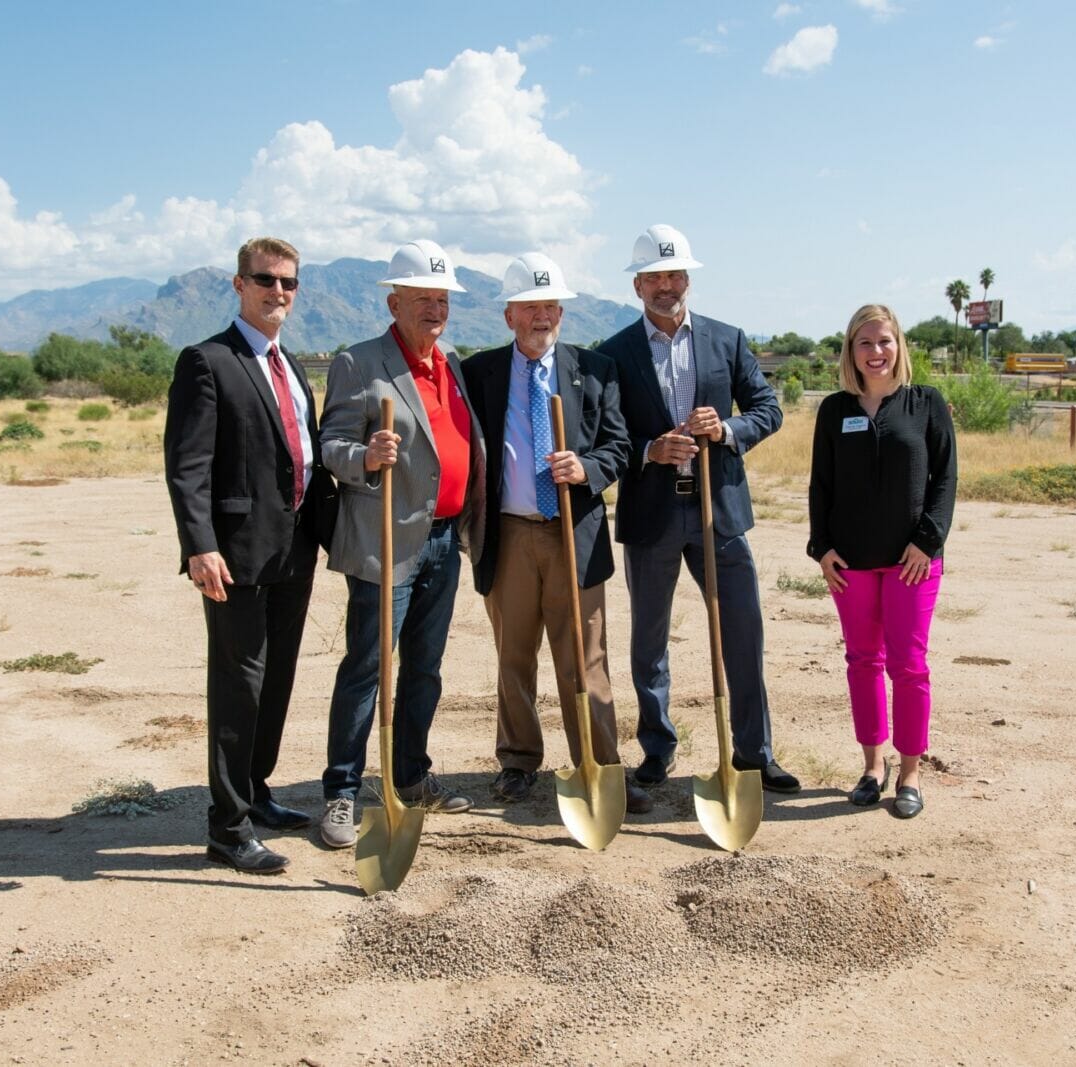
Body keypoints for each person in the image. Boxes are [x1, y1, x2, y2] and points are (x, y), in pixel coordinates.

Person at [597, 224, 798, 795]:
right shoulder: (613, 353)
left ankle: (754, 753)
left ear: (688, 279)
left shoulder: (726, 340)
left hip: (719, 512)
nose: (667, 285)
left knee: (743, 632)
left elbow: (767, 409)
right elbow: (606, 434)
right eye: (655, 277)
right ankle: (657, 749)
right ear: (637, 285)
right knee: (649, 641)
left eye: (676, 275)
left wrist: (727, 428)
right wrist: (648, 450)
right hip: (652, 516)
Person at [164, 237, 336, 875]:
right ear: (239, 285)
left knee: (278, 678)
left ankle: (258, 793)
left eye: (288, 281)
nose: (278, 291)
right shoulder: (208, 361)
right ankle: (229, 827)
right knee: (239, 685)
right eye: (265, 279)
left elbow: (305, 459)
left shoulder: (292, 367)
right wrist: (199, 545)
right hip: (234, 555)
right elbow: (188, 466)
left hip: (294, 549)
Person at [459, 253, 652, 815]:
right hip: (509, 535)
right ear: (509, 316)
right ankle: (518, 762)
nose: (541, 316)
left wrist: (586, 468)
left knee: (585, 660)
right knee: (514, 655)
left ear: (562, 313)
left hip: (574, 534)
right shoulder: (479, 373)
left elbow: (619, 446)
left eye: (550, 306)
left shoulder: (595, 369)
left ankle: (601, 765)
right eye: (529, 307)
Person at [316, 239, 487, 849]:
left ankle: (411, 776)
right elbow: (330, 444)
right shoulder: (358, 362)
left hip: (444, 539)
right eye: (422, 300)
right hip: (385, 541)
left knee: (424, 668)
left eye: (442, 300)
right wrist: (364, 456)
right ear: (394, 304)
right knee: (367, 668)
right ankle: (341, 791)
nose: (435, 310)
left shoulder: (452, 363)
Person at [807, 304, 957, 819]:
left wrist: (927, 541)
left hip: (911, 561)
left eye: (884, 341)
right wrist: (822, 547)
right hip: (849, 564)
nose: (876, 352)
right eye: (865, 342)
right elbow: (821, 484)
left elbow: (945, 479)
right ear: (851, 350)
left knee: (909, 666)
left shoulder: (925, 403)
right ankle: (873, 767)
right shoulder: (834, 410)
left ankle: (910, 772)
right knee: (862, 662)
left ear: (899, 346)